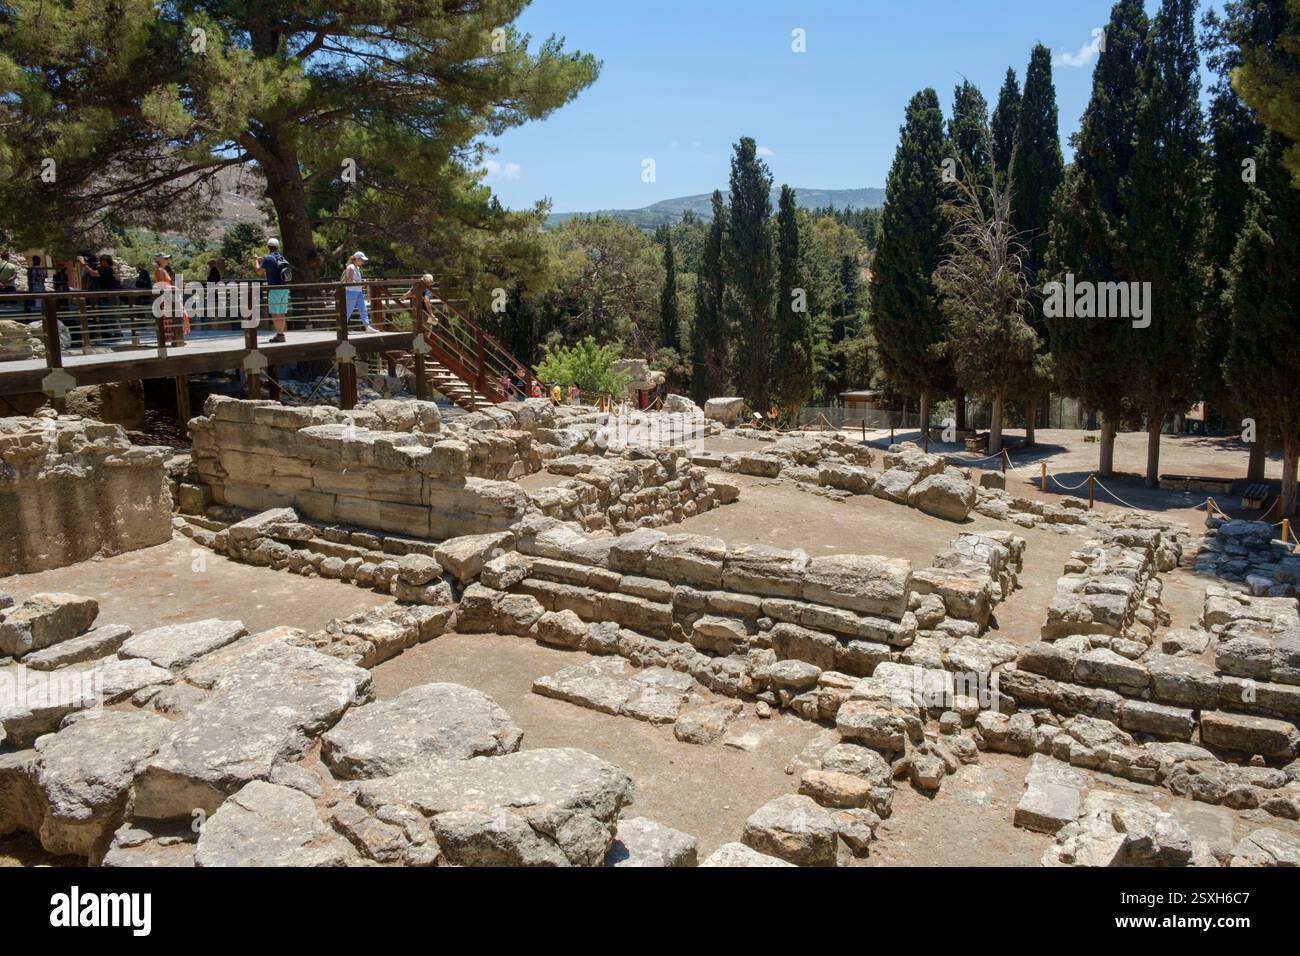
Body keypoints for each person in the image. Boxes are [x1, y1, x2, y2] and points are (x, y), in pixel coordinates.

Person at [253, 238, 290, 342]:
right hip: (284, 288)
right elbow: (270, 262)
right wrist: (262, 259)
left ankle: (280, 335)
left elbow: (259, 271)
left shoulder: (268, 258)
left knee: (274, 313)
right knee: (281, 313)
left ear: (268, 247)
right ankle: (281, 334)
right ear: (277, 247)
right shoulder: (280, 257)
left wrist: (256, 261)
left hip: (275, 289)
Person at [153, 252, 190, 346]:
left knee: (177, 316)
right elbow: (162, 285)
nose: (167, 260)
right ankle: (176, 339)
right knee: (176, 316)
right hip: (166, 298)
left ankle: (177, 339)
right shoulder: (159, 270)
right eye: (165, 258)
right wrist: (174, 287)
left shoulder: (162, 270)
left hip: (169, 297)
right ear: (159, 260)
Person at [342, 251, 375, 332]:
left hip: (358, 291)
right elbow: (349, 281)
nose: (363, 261)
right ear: (357, 259)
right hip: (351, 291)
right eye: (362, 260)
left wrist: (360, 283)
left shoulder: (357, 268)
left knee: (363, 309)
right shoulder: (351, 267)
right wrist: (360, 283)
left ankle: (367, 327)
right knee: (348, 310)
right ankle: (343, 328)